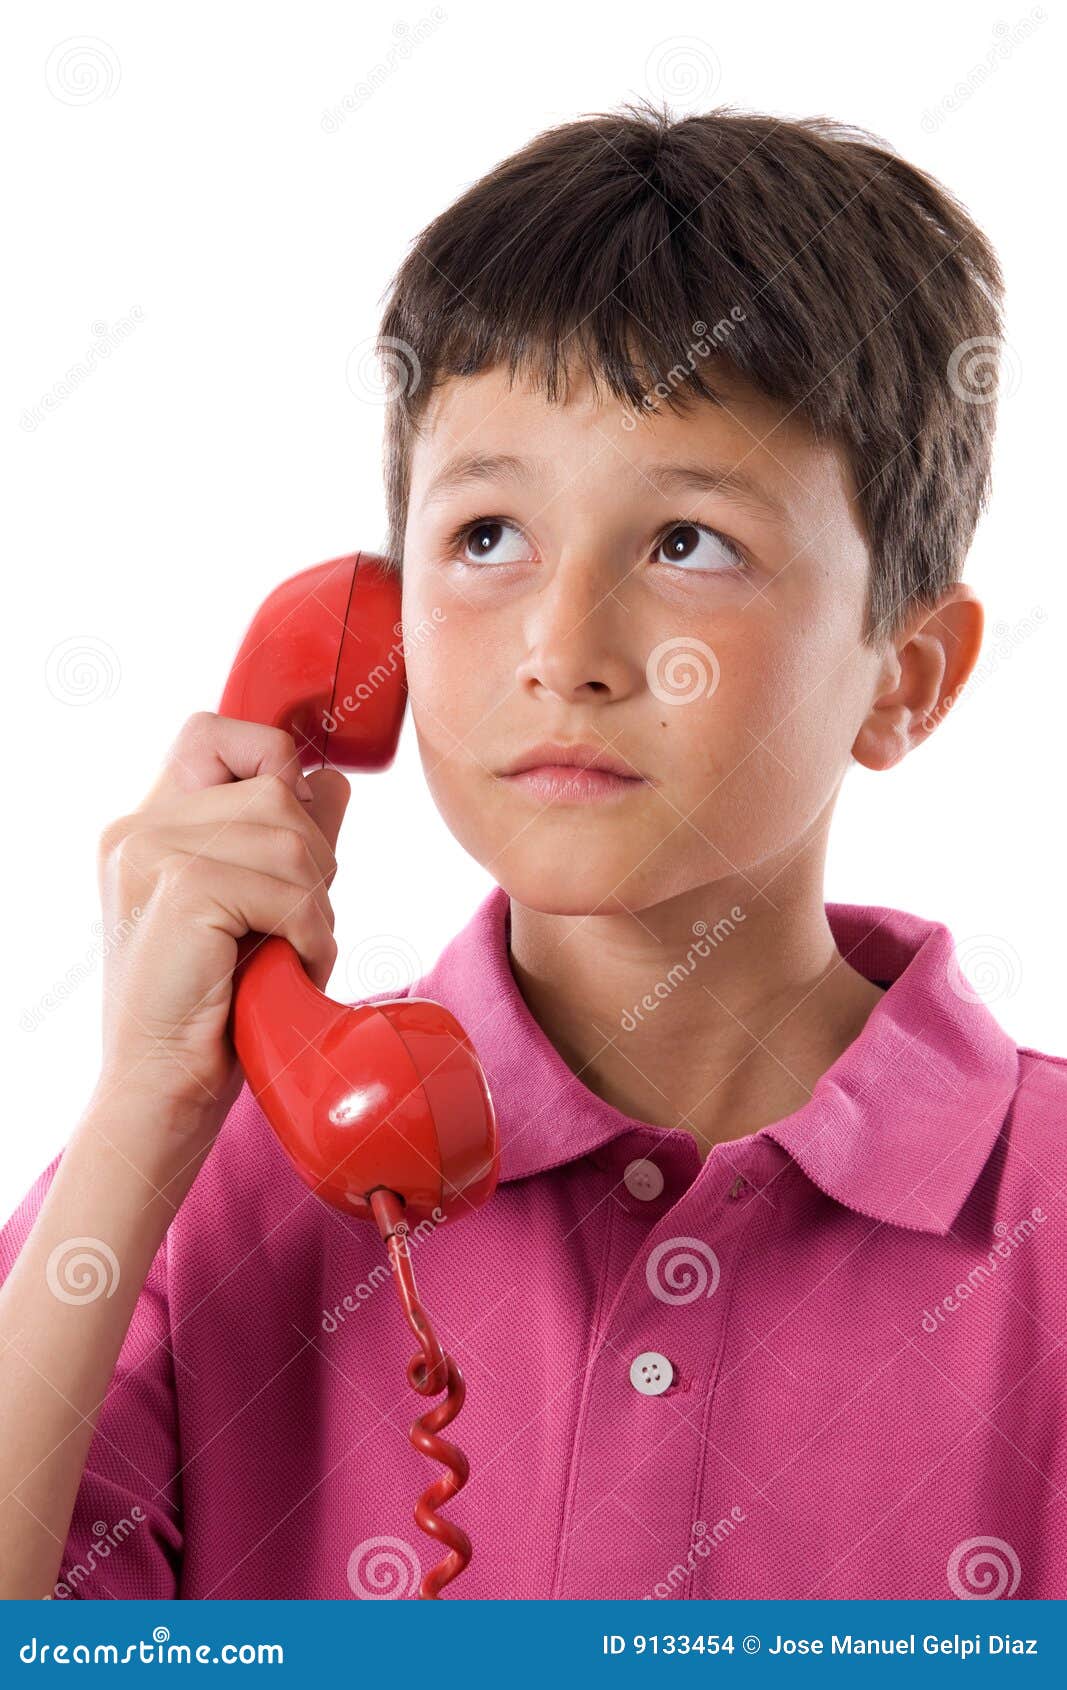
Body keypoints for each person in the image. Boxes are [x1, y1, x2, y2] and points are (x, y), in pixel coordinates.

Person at [2, 100, 1062, 1602]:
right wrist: (139, 1117)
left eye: (688, 540)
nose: (564, 651)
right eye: (488, 536)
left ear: (906, 674)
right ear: (374, 623)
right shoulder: (205, 1198)